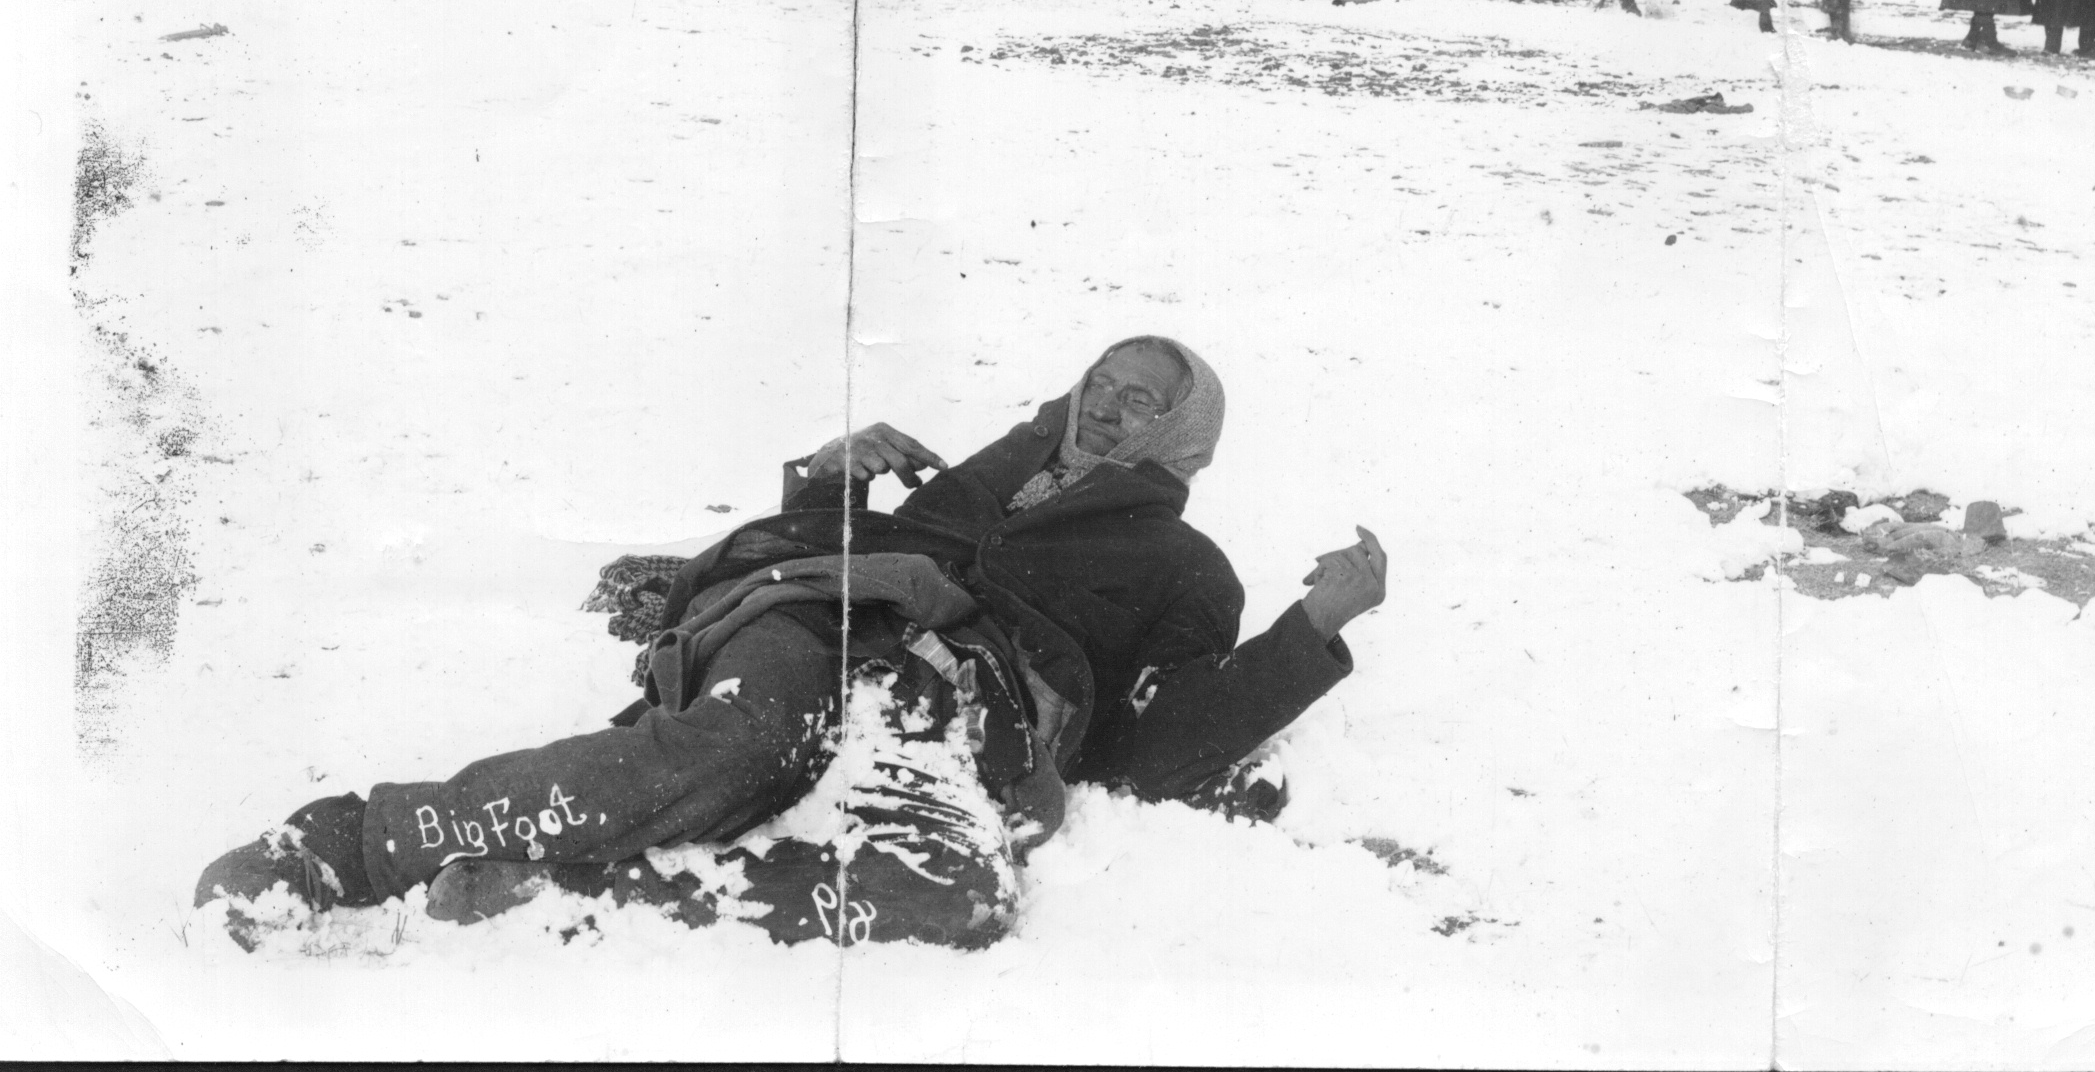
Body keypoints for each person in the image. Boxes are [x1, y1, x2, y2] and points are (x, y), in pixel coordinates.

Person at [194, 337, 1390, 949]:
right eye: (1103, 380)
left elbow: (1143, 744)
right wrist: (828, 480)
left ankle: (559, 893)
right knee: (745, 743)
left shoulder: (1187, 567)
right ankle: (351, 842)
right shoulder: (989, 469)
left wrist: (1309, 632)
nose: (1108, 404)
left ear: (1182, 434)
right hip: (828, 627)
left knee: (948, 894)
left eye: (1141, 399)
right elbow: (823, 554)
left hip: (964, 709)